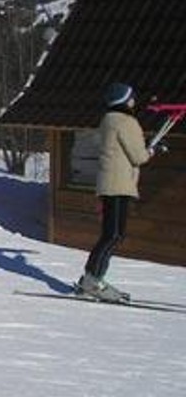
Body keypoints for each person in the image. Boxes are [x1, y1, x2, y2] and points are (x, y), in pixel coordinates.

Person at [75, 82, 161, 302]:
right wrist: (152, 150)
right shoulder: (126, 121)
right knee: (113, 234)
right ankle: (92, 279)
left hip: (110, 183)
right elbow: (138, 156)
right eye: (132, 97)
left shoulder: (108, 119)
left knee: (112, 234)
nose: (135, 101)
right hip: (119, 185)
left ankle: (93, 278)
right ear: (126, 100)